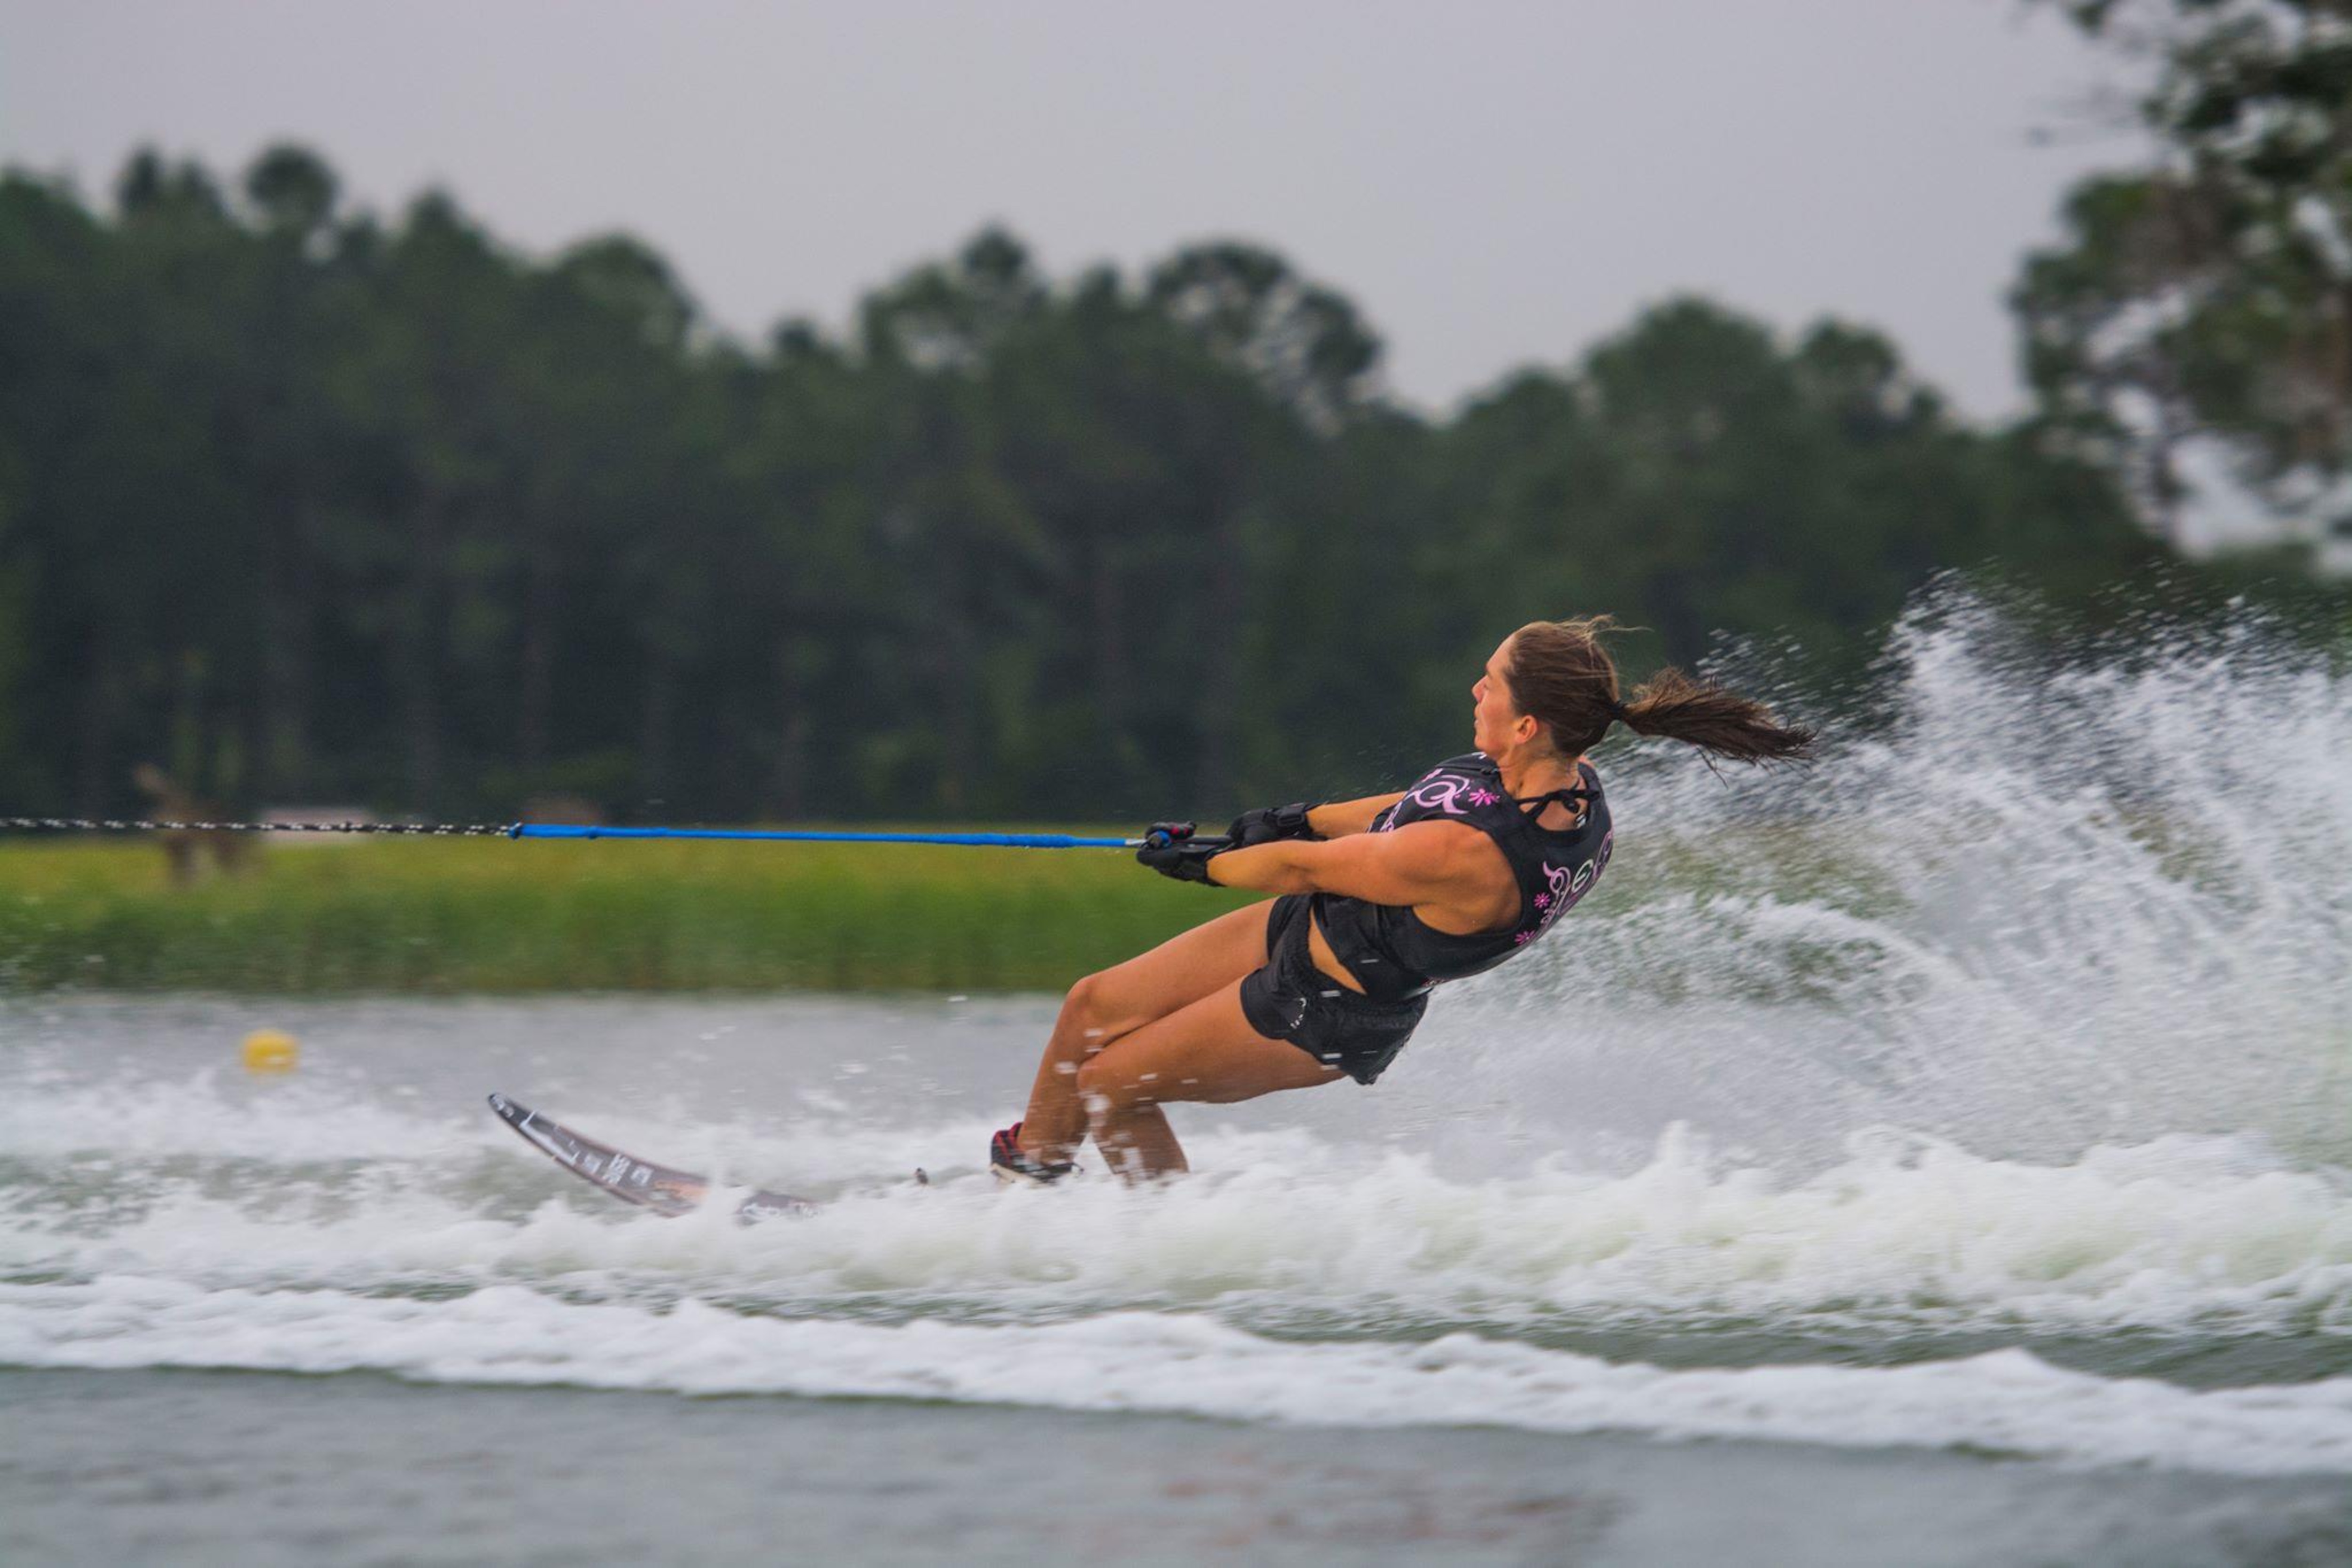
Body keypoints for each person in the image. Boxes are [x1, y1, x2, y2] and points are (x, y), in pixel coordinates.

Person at [988, 617, 1814, 1184]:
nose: (1475, 689)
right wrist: (1292, 817)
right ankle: (1029, 1180)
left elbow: (1310, 869)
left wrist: (1201, 863)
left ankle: (1156, 1253)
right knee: (1090, 1005)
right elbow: (1414, 802)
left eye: (1491, 683)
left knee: (1108, 1083)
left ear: (1528, 725)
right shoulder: (1571, 781)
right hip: (1318, 929)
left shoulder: (1472, 858)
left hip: (1330, 1009)